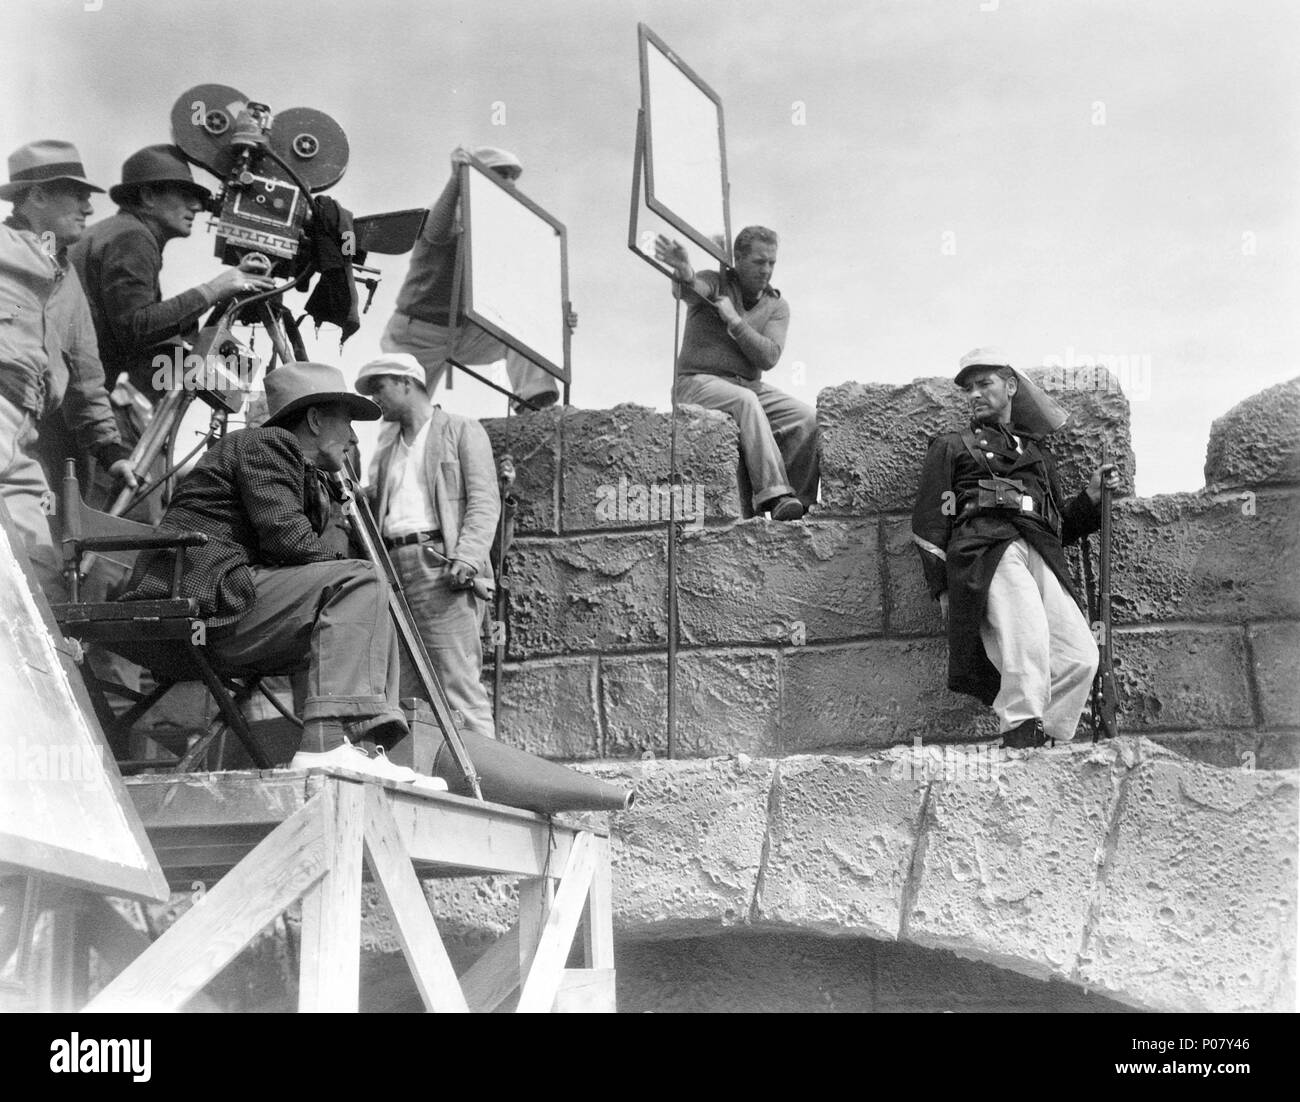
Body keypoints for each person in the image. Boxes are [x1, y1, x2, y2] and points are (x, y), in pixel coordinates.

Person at [121, 360, 440, 786]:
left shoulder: (296, 466)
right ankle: (325, 743)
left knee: (365, 589)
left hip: (218, 602)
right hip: (198, 605)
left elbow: (299, 550)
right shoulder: (268, 444)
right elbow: (287, 541)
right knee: (360, 581)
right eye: (346, 422)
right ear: (313, 418)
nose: (353, 436)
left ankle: (360, 747)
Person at [911, 348, 1121, 748]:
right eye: (968, 388)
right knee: (1027, 634)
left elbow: (1059, 526)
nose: (974, 394)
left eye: (984, 383)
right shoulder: (951, 446)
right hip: (986, 549)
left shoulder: (1037, 454)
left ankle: (1051, 740)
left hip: (1038, 549)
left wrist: (1091, 499)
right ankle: (1022, 727)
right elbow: (929, 522)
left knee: (1080, 655)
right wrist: (941, 587)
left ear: (1010, 387)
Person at [69, 144, 275, 512]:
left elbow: (135, 331)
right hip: (77, 406)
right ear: (147, 196)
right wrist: (214, 290)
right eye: (185, 195)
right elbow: (135, 325)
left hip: (72, 398)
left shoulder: (119, 233)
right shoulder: (132, 237)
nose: (196, 207)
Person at [0, 139, 137, 597]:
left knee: (37, 571)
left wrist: (110, 450)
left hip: (24, 434)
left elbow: (85, 378)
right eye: (74, 193)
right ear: (36, 195)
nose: (88, 205)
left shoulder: (69, 278)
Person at [354, 352, 500, 740]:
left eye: (379, 388)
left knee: (458, 684)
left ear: (407, 383)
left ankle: (488, 785)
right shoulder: (386, 452)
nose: (375, 399)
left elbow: (486, 502)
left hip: (440, 566)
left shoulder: (461, 430)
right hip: (394, 571)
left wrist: (468, 557)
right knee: (407, 689)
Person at [381, 145, 570, 411]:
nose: (510, 183)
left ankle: (534, 405)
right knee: (402, 417)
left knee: (524, 331)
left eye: (512, 176)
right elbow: (435, 233)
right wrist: (457, 179)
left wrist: (556, 321)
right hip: (419, 332)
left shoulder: (499, 228)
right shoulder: (451, 211)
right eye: (501, 173)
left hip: (465, 331)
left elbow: (518, 296)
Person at [655, 226, 818, 520]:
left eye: (771, 262)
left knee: (806, 418)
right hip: (696, 382)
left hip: (747, 384)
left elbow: (769, 356)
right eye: (758, 262)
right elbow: (691, 290)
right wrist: (683, 269)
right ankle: (775, 496)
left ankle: (799, 507)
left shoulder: (776, 305)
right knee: (745, 402)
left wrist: (735, 322)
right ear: (738, 259)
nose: (766, 270)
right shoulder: (716, 281)